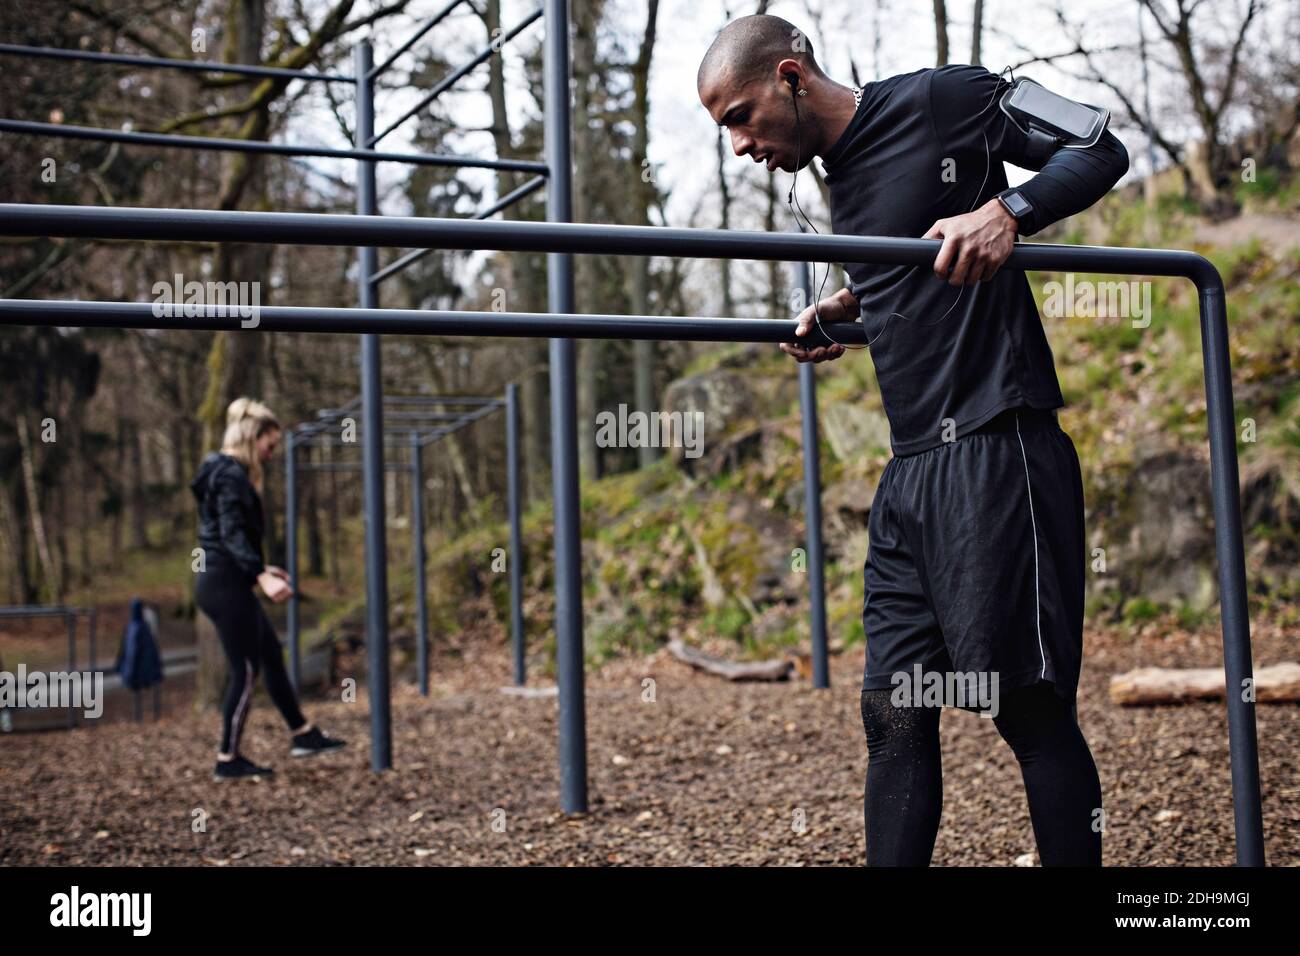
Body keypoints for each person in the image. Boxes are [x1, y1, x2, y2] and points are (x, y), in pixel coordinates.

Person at [697, 15, 1130, 865]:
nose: (739, 145)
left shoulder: (941, 100)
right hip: (911, 475)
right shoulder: (839, 177)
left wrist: (1007, 209)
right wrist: (847, 304)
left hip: (999, 450)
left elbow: (1098, 144)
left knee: (1028, 710)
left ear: (790, 76)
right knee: (891, 713)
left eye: (740, 116)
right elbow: (916, 253)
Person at [191, 397, 346, 781]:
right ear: (251, 436)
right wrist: (259, 575)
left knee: (271, 655)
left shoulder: (220, 469)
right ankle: (227, 758)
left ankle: (302, 733)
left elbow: (227, 535)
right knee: (245, 671)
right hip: (225, 583)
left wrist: (260, 568)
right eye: (269, 445)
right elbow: (230, 532)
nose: (271, 454)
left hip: (223, 579)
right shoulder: (230, 476)